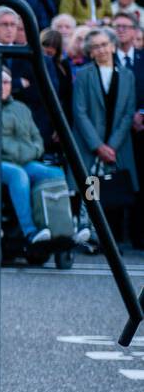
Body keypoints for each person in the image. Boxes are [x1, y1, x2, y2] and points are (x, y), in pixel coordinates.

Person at [0, 68, 64, 247]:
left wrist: (33, 151)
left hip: (25, 160)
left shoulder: (21, 107)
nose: (1, 86)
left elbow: (37, 139)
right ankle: (29, 231)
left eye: (6, 82)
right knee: (19, 175)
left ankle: (58, 229)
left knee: (55, 174)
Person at [73, 28, 138, 241]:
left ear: (112, 46)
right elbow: (79, 112)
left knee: (113, 191)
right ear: (90, 52)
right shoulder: (83, 75)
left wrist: (112, 146)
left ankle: (110, 239)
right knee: (91, 190)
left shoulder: (127, 75)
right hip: (90, 146)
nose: (101, 50)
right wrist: (98, 146)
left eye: (104, 45)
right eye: (95, 47)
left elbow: (128, 113)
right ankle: (89, 235)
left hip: (118, 146)